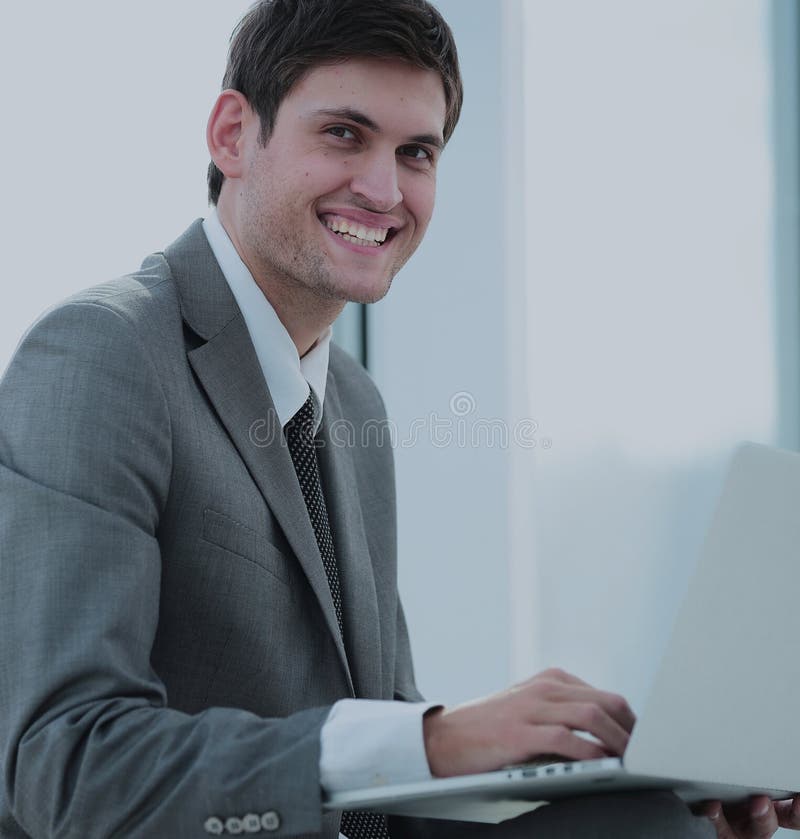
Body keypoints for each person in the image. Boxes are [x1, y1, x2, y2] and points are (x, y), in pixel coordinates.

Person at [0, 1, 797, 837]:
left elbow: (386, 792)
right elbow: (66, 762)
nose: (384, 191)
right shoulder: (103, 354)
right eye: (344, 134)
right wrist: (437, 736)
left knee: (649, 820)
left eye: (416, 152)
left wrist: (658, 794)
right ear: (234, 134)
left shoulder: (352, 403)